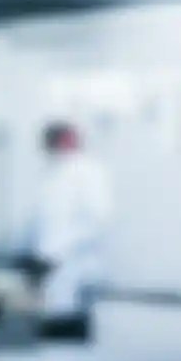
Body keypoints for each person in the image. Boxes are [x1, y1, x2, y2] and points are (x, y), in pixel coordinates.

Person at [27, 121, 112, 342]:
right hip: (50, 268)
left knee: (69, 327)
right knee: (51, 326)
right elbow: (45, 221)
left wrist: (58, 250)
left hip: (75, 265)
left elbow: (97, 222)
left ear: (69, 140)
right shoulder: (52, 173)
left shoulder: (90, 172)